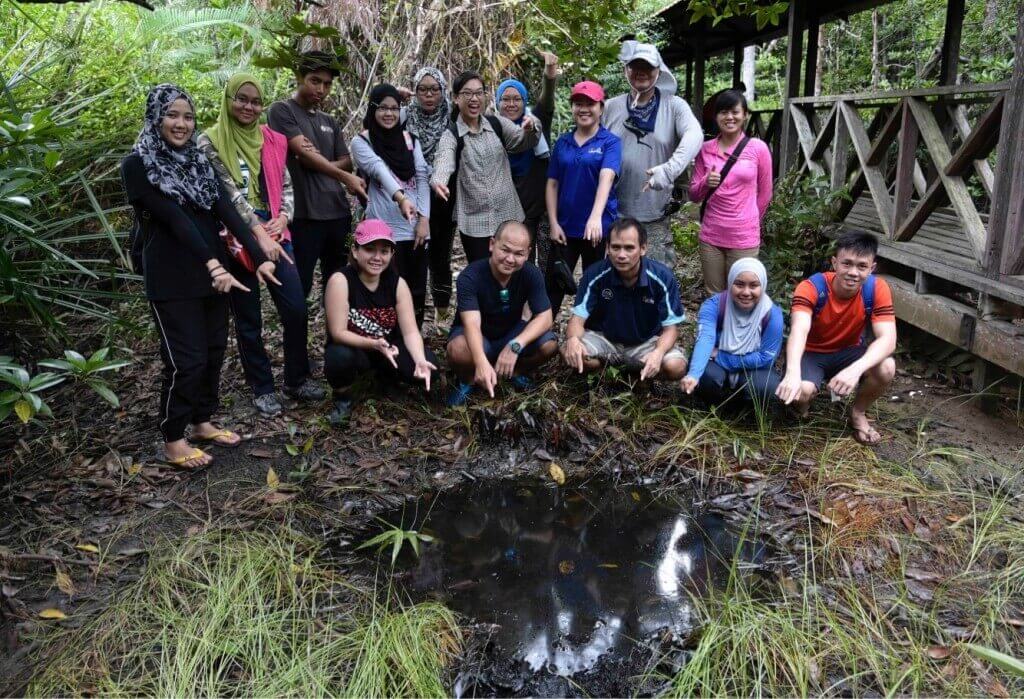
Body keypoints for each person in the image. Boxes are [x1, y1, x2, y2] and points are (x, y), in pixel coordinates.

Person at [122, 84, 281, 469]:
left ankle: (201, 422)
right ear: (156, 117)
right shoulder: (138, 164)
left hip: (214, 275)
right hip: (172, 278)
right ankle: (173, 438)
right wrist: (212, 264)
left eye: (188, 116)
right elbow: (175, 220)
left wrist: (259, 258)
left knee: (212, 353)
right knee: (186, 360)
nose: (181, 123)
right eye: (172, 115)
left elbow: (227, 210)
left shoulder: (198, 161)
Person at [196, 73, 313, 418]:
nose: (249, 106)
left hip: (276, 231)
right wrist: (258, 230)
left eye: (255, 101)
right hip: (233, 235)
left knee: (295, 306)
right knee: (248, 317)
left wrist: (284, 218)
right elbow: (227, 194)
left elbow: (288, 186)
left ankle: (296, 377)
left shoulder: (272, 139)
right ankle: (262, 387)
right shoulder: (209, 141)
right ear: (229, 100)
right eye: (241, 99)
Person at [775, 232, 897, 445]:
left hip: (848, 352)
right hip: (811, 353)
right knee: (801, 392)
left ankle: (858, 413)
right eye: (846, 264)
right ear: (834, 263)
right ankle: (804, 404)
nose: (853, 272)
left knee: (887, 366)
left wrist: (855, 369)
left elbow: (888, 339)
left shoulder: (876, 288)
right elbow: (799, 330)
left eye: (861, 266)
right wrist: (792, 372)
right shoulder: (812, 287)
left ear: (872, 268)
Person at [267, 50, 367, 301]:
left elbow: (346, 161)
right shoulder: (282, 111)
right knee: (300, 284)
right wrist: (341, 175)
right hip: (304, 216)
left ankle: (336, 337)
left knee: (338, 283)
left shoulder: (329, 121)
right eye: (315, 80)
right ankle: (297, 338)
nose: (321, 89)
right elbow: (303, 152)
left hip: (338, 213)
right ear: (299, 77)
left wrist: (317, 162)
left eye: (327, 84)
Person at [323, 219, 439, 425]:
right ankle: (343, 397)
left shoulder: (397, 284)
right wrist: (373, 344)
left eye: (384, 251)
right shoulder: (341, 281)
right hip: (356, 348)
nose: (377, 257)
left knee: (430, 367)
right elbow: (338, 332)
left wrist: (420, 359)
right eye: (369, 249)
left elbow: (411, 331)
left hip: (388, 348)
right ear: (355, 250)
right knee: (338, 357)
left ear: (392, 254)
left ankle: (385, 378)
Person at [603, 41, 703, 267]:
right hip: (613, 214)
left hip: (655, 215)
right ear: (625, 70)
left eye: (648, 67)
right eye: (635, 66)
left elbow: (694, 134)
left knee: (655, 280)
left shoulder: (674, 106)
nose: (641, 72)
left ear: (659, 70)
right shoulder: (611, 107)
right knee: (617, 282)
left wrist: (669, 170)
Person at [430, 70, 540, 265]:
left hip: (509, 215)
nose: (474, 99)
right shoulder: (452, 134)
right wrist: (439, 181)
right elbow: (444, 160)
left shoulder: (497, 123)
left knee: (513, 270)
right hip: (475, 224)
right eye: (467, 93)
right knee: (483, 276)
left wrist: (532, 127)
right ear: (456, 98)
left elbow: (523, 141)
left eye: (479, 93)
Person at [446, 220, 557, 406]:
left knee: (549, 345)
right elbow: (471, 323)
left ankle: (514, 372)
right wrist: (480, 361)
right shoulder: (470, 276)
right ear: (492, 244)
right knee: (458, 350)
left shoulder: (531, 273)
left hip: (510, 333)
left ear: (528, 253)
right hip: (479, 336)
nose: (510, 259)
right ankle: (468, 379)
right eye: (505, 250)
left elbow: (545, 317)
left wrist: (516, 344)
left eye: (518, 253)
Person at [563, 218, 687, 381]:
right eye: (616, 247)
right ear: (607, 248)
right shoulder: (595, 274)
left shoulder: (662, 277)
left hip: (646, 341)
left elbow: (671, 329)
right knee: (569, 351)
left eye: (629, 248)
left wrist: (658, 353)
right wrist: (572, 340)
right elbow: (577, 320)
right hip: (605, 339)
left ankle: (638, 375)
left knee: (676, 367)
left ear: (643, 248)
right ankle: (611, 375)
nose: (622, 255)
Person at [351, 84, 431, 325]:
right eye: (383, 108)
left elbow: (421, 177)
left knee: (416, 291)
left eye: (395, 109)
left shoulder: (409, 140)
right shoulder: (362, 142)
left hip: (415, 229)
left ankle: (414, 345)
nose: (389, 114)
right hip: (383, 229)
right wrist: (401, 197)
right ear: (372, 110)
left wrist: (424, 219)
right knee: (387, 290)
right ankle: (387, 342)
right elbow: (378, 169)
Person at [546, 80, 622, 313]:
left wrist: (596, 217)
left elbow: (606, 178)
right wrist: (553, 223)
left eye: (590, 103)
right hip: (565, 227)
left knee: (597, 281)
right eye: (578, 103)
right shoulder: (563, 143)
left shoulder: (610, 142)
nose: (584, 109)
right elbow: (552, 184)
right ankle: (544, 332)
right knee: (555, 282)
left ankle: (592, 330)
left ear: (601, 107)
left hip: (597, 228)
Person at [688, 90, 773, 294]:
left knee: (743, 294)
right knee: (714, 294)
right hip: (711, 235)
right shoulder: (705, 149)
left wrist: (751, 221)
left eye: (735, 112)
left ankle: (738, 327)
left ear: (745, 115)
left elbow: (765, 193)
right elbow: (693, 194)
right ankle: (716, 326)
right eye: (723, 112)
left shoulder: (758, 148)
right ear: (716, 116)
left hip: (744, 236)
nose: (729, 117)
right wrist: (705, 182)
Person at [680, 257, 783, 406]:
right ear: (730, 284)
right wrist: (694, 374)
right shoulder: (714, 306)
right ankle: (711, 406)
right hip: (716, 365)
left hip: (749, 366)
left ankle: (742, 410)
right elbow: (705, 339)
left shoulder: (772, 315)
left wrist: (721, 357)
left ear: (763, 286)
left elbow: (766, 358)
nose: (746, 292)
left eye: (754, 286)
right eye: (739, 284)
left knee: (765, 386)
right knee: (707, 376)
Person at [403, 66, 456, 326]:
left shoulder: (453, 116)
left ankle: (442, 311)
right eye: (422, 89)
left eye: (434, 89)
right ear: (414, 92)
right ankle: (412, 315)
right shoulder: (404, 117)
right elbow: (375, 123)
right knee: (414, 253)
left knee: (441, 254)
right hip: (410, 196)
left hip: (445, 197)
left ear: (442, 90)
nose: (428, 95)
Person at [496, 50, 560, 257]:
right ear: (498, 102)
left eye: (517, 99)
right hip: (506, 211)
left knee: (543, 264)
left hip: (539, 210)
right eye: (506, 99)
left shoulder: (536, 120)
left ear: (524, 101)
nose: (512, 104)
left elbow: (547, 99)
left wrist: (549, 72)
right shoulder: (492, 128)